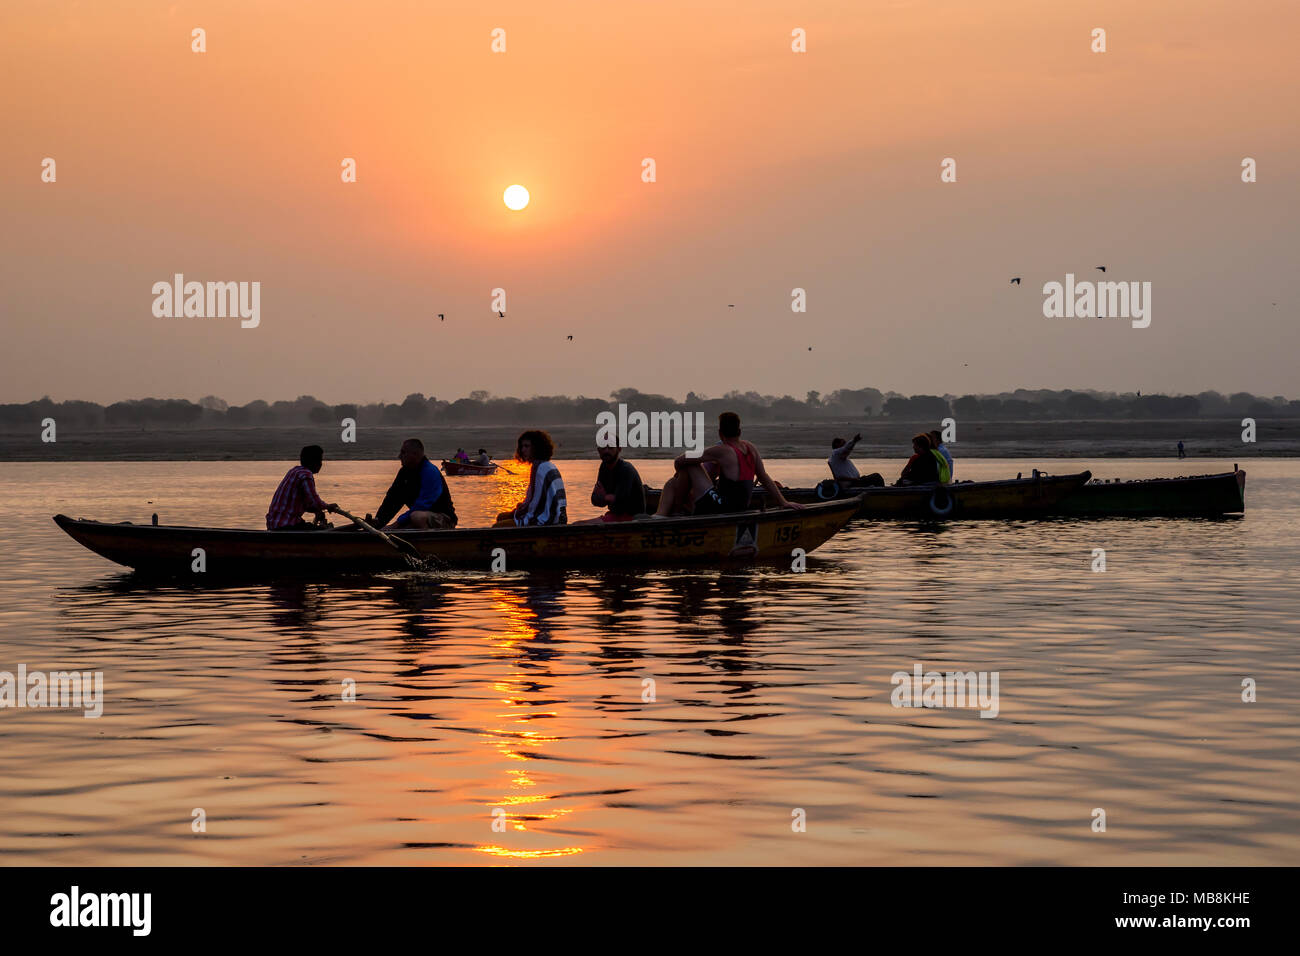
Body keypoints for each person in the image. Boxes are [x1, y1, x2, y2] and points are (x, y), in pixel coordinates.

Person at [654, 412, 804, 516]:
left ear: (720, 433)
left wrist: (682, 477)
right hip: (741, 506)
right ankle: (675, 510)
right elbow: (764, 477)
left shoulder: (721, 450)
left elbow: (680, 460)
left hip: (721, 507)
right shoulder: (751, 448)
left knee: (689, 465)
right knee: (675, 481)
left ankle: (677, 511)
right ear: (739, 431)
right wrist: (783, 502)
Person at [369, 438, 457, 529]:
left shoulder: (430, 471)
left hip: (445, 520)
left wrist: (395, 525)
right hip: (419, 517)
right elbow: (391, 501)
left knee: (417, 517)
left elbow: (422, 505)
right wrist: (377, 523)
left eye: (403, 453)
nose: (399, 456)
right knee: (409, 520)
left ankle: (429, 542)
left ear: (415, 454)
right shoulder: (404, 472)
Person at [266, 445, 338, 530]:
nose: (321, 464)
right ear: (313, 461)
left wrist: (316, 511)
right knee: (327, 529)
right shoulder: (306, 474)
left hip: (274, 524)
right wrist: (328, 506)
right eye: (320, 460)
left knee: (317, 527)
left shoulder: (294, 471)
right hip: (286, 525)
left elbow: (302, 505)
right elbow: (315, 501)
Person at [509, 430, 567, 525]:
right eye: (522, 446)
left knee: (498, 525)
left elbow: (535, 502)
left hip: (546, 519)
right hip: (558, 517)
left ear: (537, 447)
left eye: (527, 446)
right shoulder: (549, 465)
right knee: (505, 516)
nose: (523, 450)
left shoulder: (539, 467)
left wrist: (520, 511)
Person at [576, 444, 646, 524]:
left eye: (611, 448)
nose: (606, 451)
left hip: (631, 518)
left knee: (578, 525)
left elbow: (621, 502)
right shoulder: (604, 467)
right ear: (599, 450)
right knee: (577, 524)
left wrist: (605, 497)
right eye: (603, 447)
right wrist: (607, 498)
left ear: (619, 449)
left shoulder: (625, 469)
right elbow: (595, 500)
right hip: (615, 516)